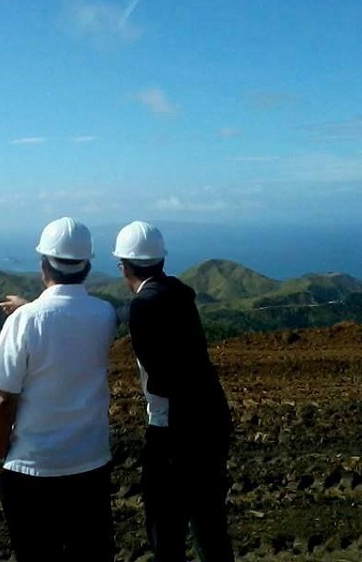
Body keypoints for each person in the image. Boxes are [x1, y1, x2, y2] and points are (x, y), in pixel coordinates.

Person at [0, 216, 118, 562]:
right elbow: (69, 322)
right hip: (90, 463)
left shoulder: (24, 321)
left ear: (44, 265)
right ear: (87, 266)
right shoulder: (105, 315)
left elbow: (4, 400)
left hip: (32, 468)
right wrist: (28, 309)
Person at [113, 220, 234, 562]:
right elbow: (131, 309)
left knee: (165, 531)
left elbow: (162, 379)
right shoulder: (177, 292)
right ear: (160, 261)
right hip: (211, 418)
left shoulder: (145, 307)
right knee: (210, 525)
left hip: (174, 431)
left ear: (124, 266)